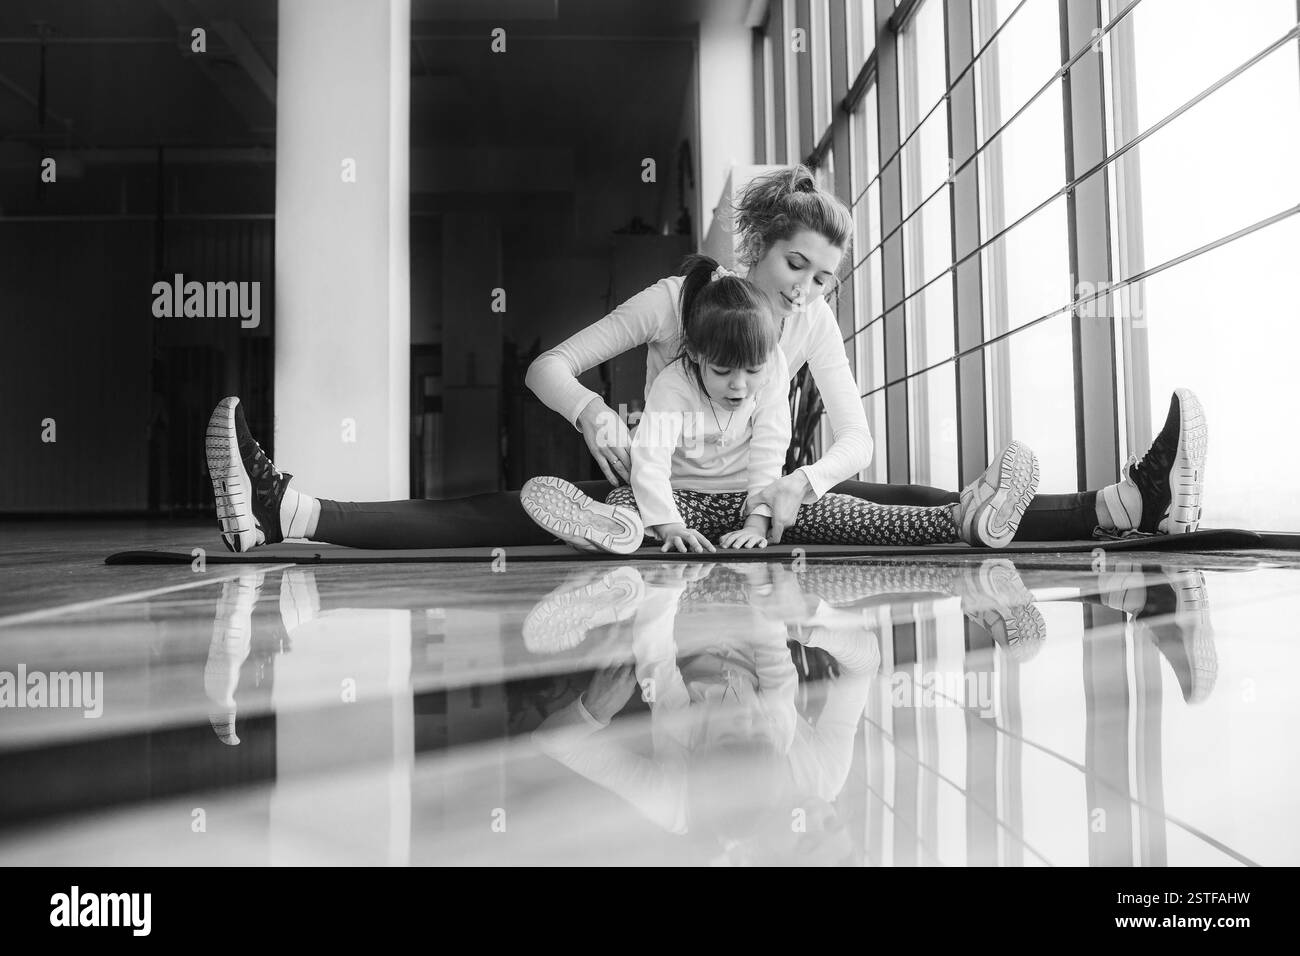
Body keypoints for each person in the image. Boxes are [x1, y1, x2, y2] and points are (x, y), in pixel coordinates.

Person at [204, 164, 1206, 552]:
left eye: (822, 276)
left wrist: (793, 487)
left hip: (764, 494)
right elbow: (543, 370)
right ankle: (289, 509)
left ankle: (1126, 504)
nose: (808, 290)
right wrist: (598, 417)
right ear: (754, 249)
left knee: (915, 496)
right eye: (794, 266)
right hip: (661, 492)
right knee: (507, 501)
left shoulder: (808, 326)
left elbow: (854, 435)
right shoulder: (671, 304)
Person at [520, 254, 1039, 553]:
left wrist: (758, 519)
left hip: (753, 498)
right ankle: (618, 529)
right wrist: (671, 524)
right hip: (681, 500)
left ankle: (961, 520)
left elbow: (773, 449)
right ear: (697, 355)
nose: (739, 386)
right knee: (628, 502)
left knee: (849, 514)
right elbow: (650, 462)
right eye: (796, 264)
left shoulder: (773, 364)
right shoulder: (673, 379)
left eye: (822, 277)